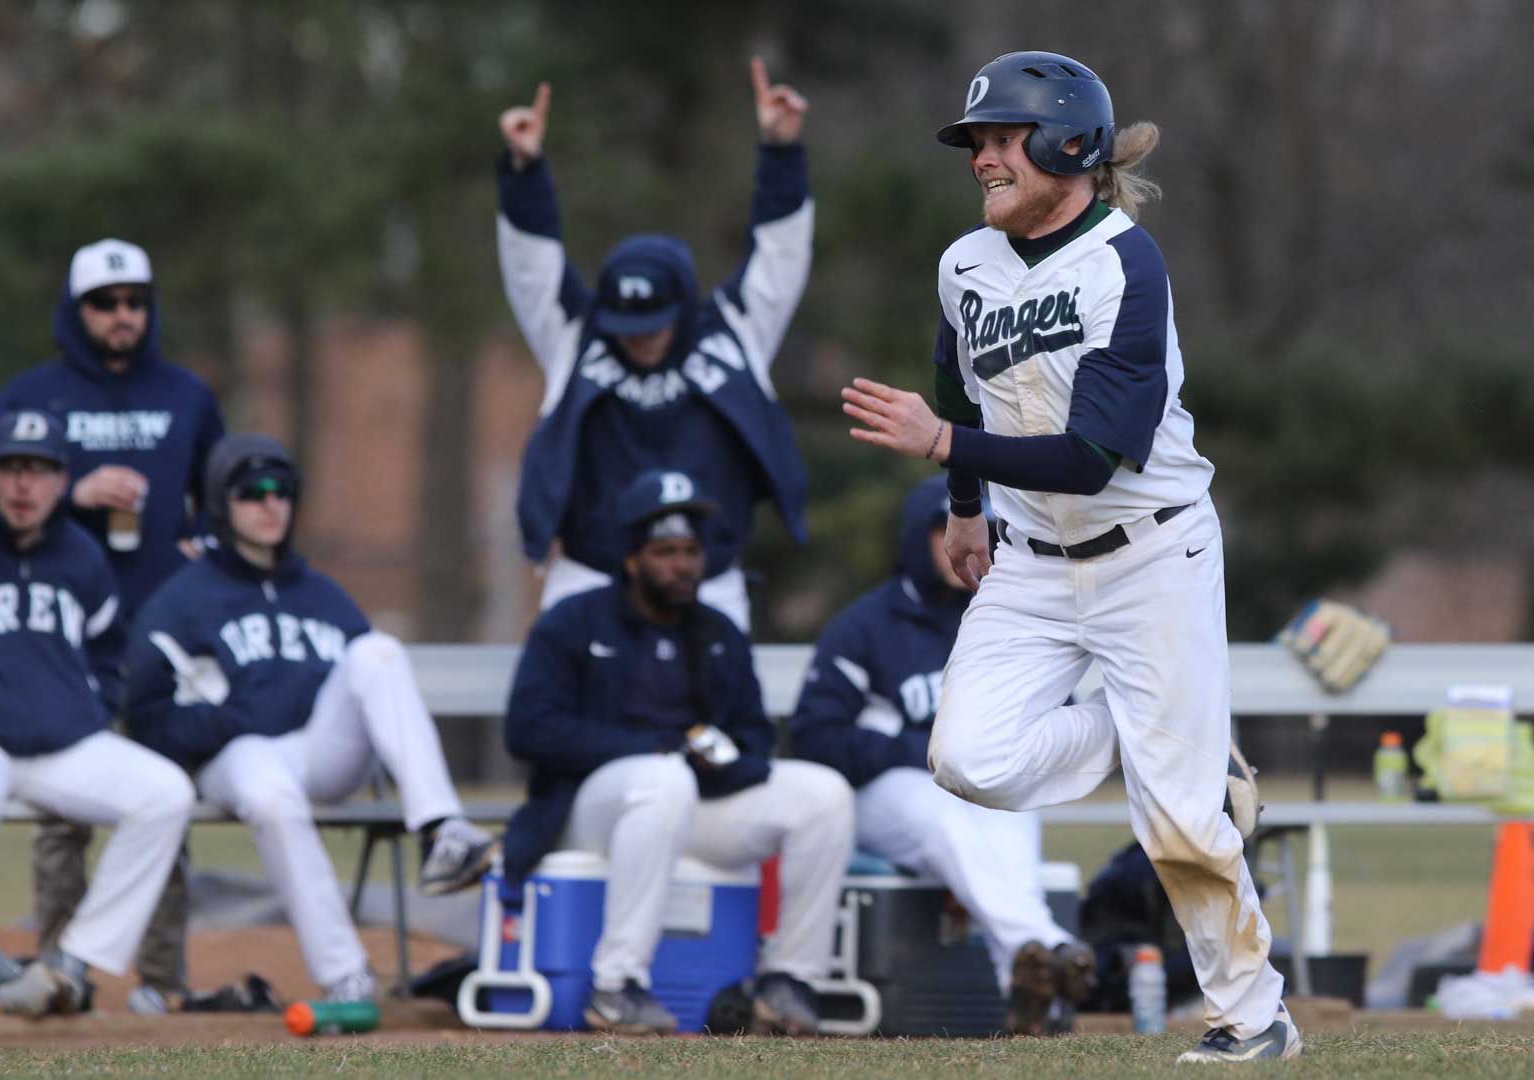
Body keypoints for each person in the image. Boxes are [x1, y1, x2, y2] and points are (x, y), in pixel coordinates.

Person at [839, 51, 1301, 1062]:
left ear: (1070, 146)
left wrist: (944, 449)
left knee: (1179, 827)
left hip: (1151, 552)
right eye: (979, 145)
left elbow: (1093, 459)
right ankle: (1166, 738)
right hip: (1031, 559)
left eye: (1005, 141)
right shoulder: (967, 263)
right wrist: (963, 506)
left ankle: (1254, 1017)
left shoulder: (1126, 265)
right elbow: (957, 384)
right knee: (966, 759)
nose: (985, 162)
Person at [121, 434, 497, 1004]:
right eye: (252, 493)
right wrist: (223, 723)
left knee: (380, 651)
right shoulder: (183, 600)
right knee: (268, 791)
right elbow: (146, 717)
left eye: (282, 491)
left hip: (320, 752)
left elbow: (370, 688)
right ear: (222, 505)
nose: (271, 504)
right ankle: (345, 975)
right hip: (235, 759)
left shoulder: (322, 594)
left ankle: (442, 830)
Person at [501, 469, 854, 1036]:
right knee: (662, 779)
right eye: (665, 552)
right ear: (632, 558)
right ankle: (616, 986)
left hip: (691, 802)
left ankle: (787, 982)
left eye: (691, 551)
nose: (684, 565)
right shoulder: (573, 622)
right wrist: (659, 749)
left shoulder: (717, 631)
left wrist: (731, 763)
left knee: (823, 794)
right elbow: (529, 730)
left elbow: (754, 733)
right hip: (591, 809)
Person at [494, 59, 813, 629]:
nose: (639, 340)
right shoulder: (576, 337)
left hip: (708, 584)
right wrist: (525, 170)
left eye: (654, 325)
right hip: (592, 578)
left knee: (719, 718)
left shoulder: (734, 333)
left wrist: (781, 152)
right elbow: (532, 267)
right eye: (626, 327)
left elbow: (779, 256)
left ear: (683, 310)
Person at [0, 238, 226, 1008]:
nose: (123, 316)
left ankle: (162, 981)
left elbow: (229, 489)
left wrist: (207, 542)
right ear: (76, 309)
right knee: (64, 813)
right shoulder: (35, 396)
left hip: (161, 630)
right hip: (58, 635)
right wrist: (75, 492)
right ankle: (59, 973)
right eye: (105, 303)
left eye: (136, 302)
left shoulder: (187, 394)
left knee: (163, 798)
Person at [789, 476, 1094, 1034]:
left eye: (987, 527)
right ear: (918, 536)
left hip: (978, 795)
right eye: (947, 526)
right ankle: (1046, 943)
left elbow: (1055, 722)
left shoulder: (1011, 620)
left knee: (1007, 806)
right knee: (944, 812)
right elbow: (813, 735)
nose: (968, 537)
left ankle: (1032, 986)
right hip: (882, 797)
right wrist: (914, 751)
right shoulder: (865, 627)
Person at [0, 410, 195, 1017]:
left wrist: (96, 707)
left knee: (165, 792)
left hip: (64, 743)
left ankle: (74, 960)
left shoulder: (80, 553)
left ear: (62, 481)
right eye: (8, 469)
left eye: (38, 470)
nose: (22, 485)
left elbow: (111, 650)